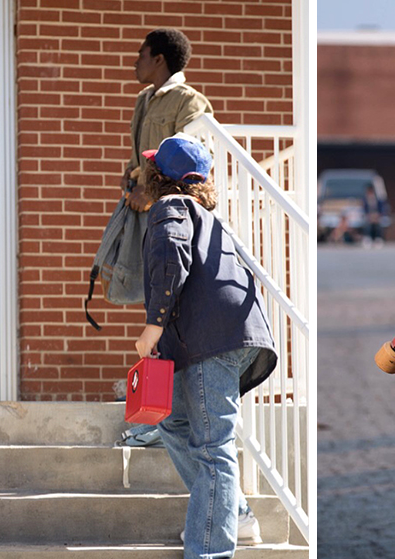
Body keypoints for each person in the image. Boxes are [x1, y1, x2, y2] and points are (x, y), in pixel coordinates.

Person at [135, 134, 278, 558]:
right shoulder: (206, 216)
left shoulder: (171, 208)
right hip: (229, 335)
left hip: (210, 340)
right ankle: (235, 514)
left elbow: (170, 256)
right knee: (174, 423)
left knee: (214, 446)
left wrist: (152, 327)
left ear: (158, 176)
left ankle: (210, 551)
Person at [123, 28, 213, 213]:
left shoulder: (188, 100)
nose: (136, 63)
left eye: (141, 55)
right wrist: (131, 172)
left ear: (158, 59)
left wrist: (151, 193)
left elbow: (194, 161)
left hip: (170, 210)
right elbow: (141, 151)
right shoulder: (143, 99)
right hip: (137, 204)